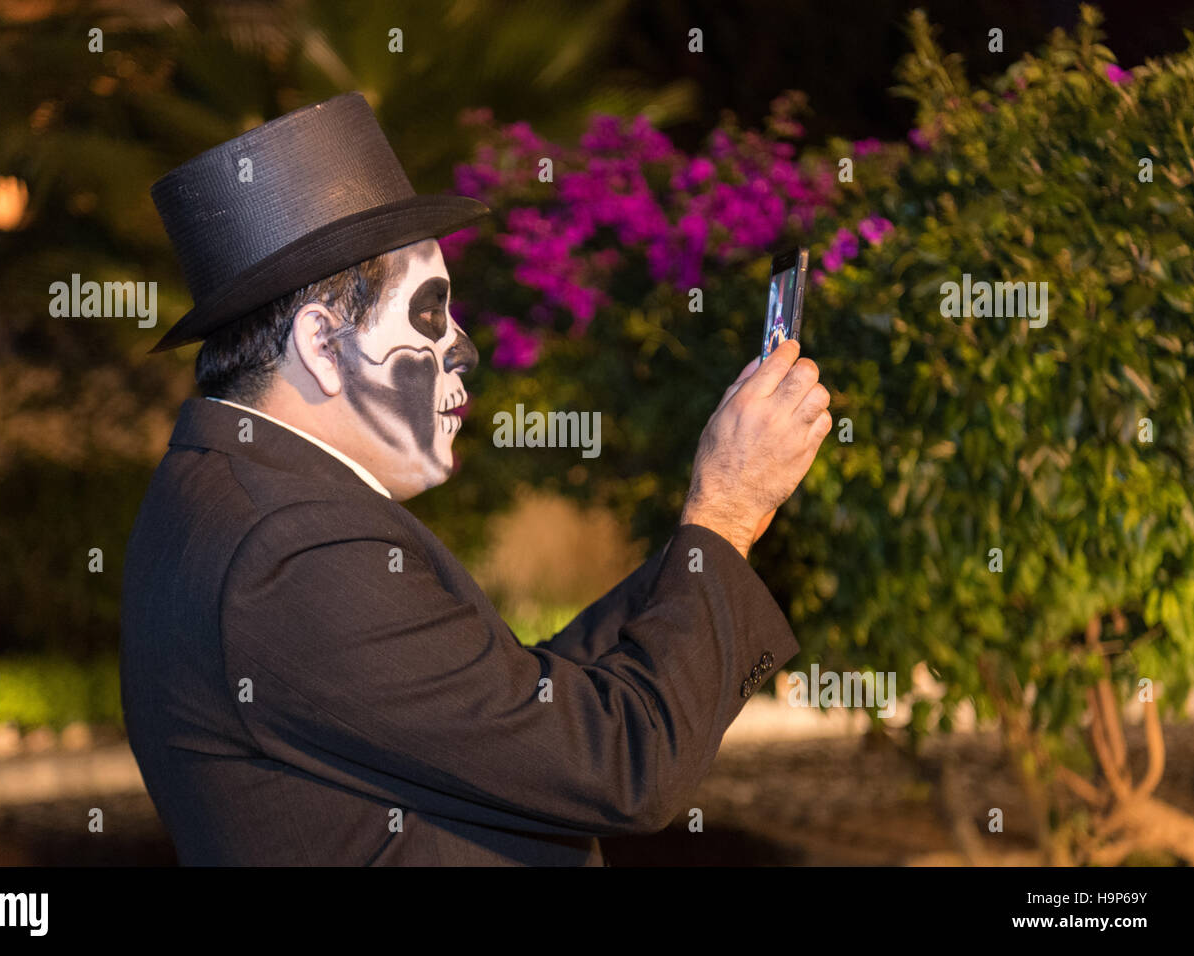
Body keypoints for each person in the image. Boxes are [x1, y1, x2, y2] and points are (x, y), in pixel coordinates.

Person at [120, 92, 832, 865]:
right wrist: (725, 513)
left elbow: (510, 703)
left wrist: (709, 543)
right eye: (430, 314)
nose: (464, 348)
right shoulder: (287, 551)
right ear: (323, 344)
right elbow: (624, 767)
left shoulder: (239, 492)